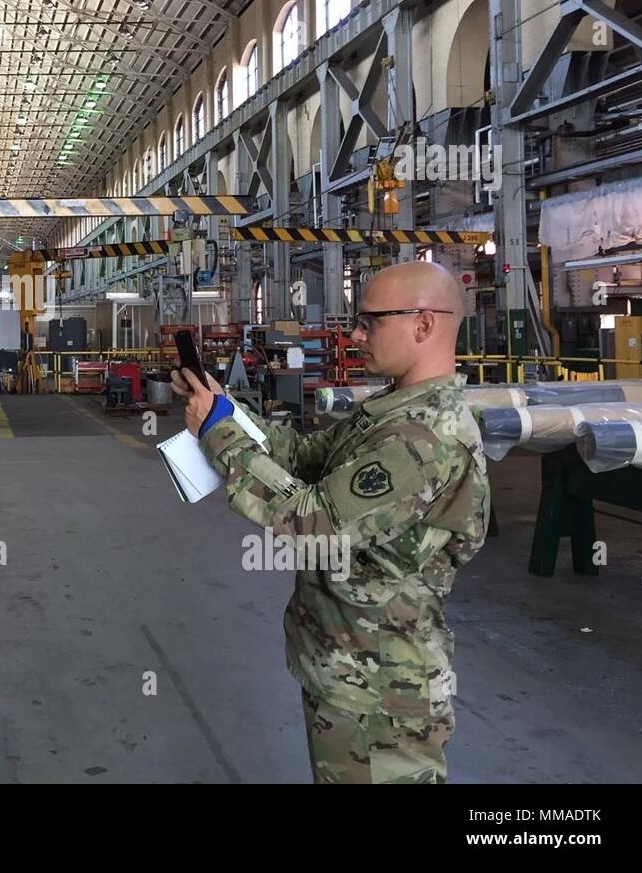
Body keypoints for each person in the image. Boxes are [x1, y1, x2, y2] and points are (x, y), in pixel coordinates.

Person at [173, 260, 490, 784]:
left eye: (370, 322)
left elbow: (314, 523)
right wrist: (225, 410)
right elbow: (303, 458)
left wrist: (220, 436)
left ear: (424, 324)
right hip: (347, 666)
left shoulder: (423, 439)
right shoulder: (391, 412)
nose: (356, 335)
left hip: (382, 688)